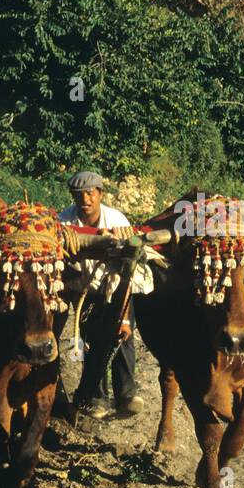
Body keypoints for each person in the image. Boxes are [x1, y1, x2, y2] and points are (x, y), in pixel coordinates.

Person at [57, 170, 143, 420]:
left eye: (89, 193)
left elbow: (129, 268)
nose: (84, 199)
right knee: (91, 342)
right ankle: (97, 399)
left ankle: (127, 394)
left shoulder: (117, 221)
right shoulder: (64, 222)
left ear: (100, 194)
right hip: (85, 291)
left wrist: (126, 317)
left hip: (116, 288)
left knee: (122, 335)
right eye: (78, 195)